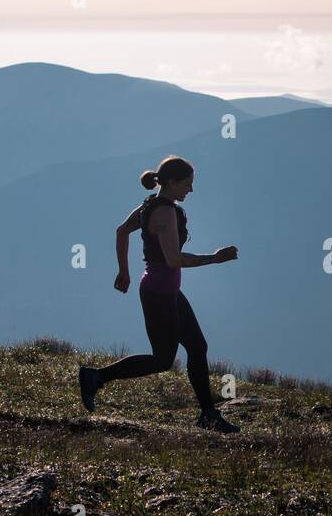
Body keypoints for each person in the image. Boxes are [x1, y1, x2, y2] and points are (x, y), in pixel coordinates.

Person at [79, 156, 241, 432]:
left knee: (197, 347)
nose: (190, 190)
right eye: (187, 184)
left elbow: (121, 231)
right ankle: (96, 377)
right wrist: (214, 258)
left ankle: (208, 415)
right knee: (162, 360)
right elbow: (174, 259)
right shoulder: (164, 213)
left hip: (165, 290)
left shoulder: (148, 205)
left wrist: (124, 271)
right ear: (172, 182)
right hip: (159, 294)